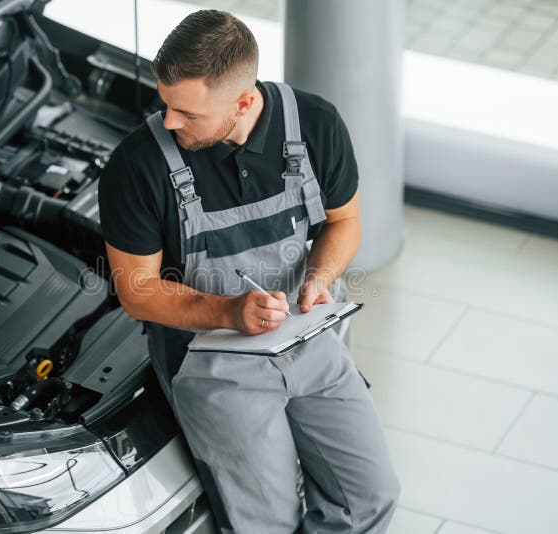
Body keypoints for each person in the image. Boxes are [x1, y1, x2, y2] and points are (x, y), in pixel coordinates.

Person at [98, 10, 400, 533]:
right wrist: (228, 311)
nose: (169, 121)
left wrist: (319, 278)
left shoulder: (315, 124)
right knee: (265, 523)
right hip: (209, 364)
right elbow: (137, 290)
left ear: (243, 101)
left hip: (306, 336)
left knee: (369, 498)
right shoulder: (138, 166)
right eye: (165, 103)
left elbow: (344, 221)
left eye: (187, 113)